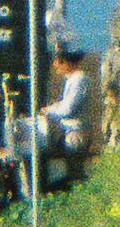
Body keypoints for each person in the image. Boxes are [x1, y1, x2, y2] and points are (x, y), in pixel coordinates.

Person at [30, 46, 94, 190]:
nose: (56, 67)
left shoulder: (79, 80)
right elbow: (64, 104)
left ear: (66, 62)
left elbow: (68, 109)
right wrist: (51, 108)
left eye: (58, 63)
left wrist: (48, 111)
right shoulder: (73, 80)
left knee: (75, 174)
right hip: (70, 131)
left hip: (75, 132)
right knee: (71, 171)